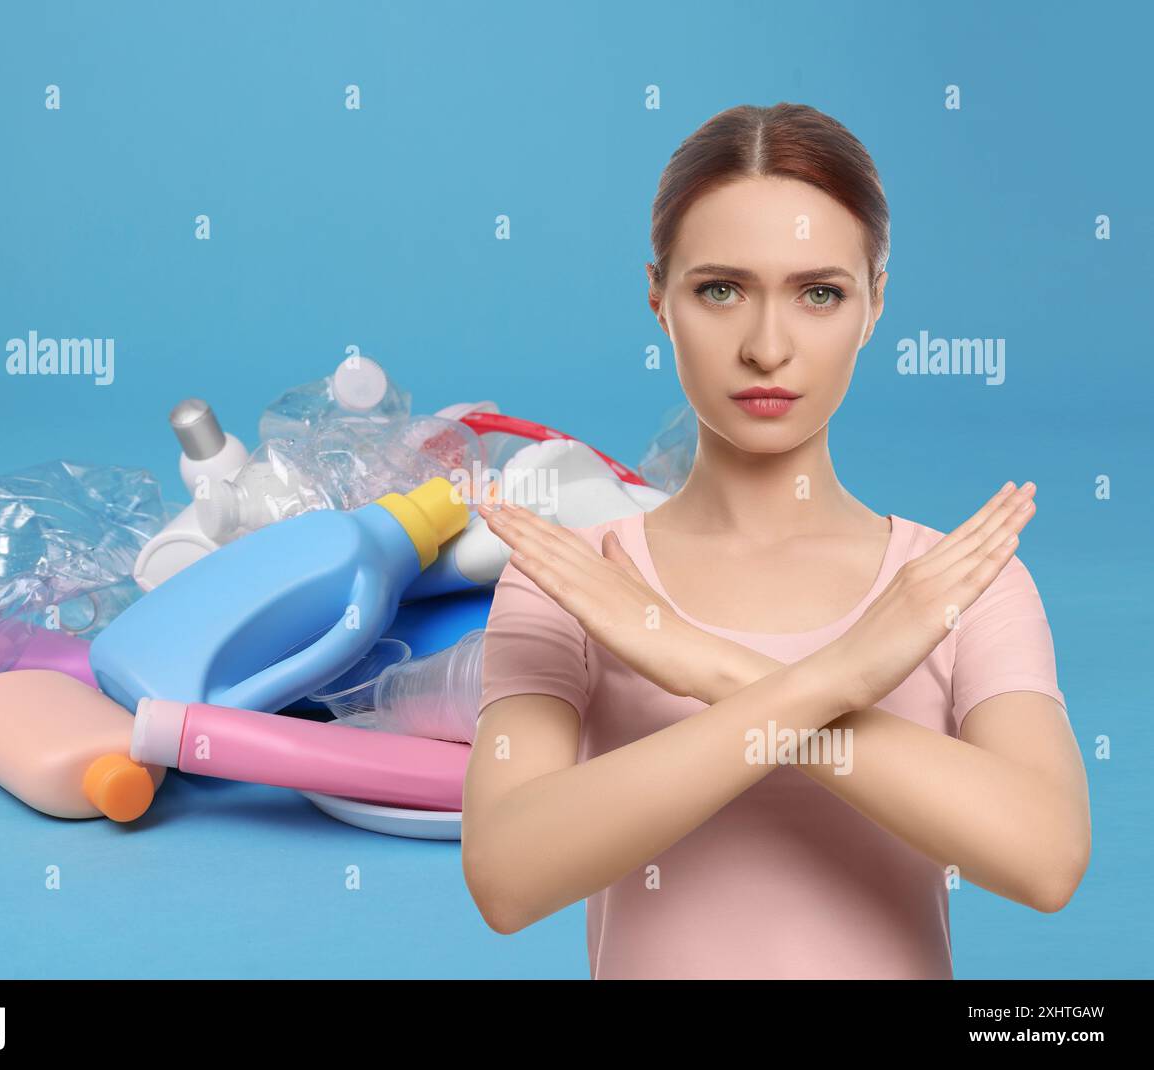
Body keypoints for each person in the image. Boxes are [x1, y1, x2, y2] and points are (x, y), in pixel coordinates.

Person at [459, 102, 1091, 981]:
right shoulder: (571, 585)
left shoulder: (959, 584)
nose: (766, 347)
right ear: (659, 298)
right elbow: (507, 877)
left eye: (819, 293)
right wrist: (835, 679)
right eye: (721, 289)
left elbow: (1046, 858)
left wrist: (700, 663)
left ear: (875, 304)